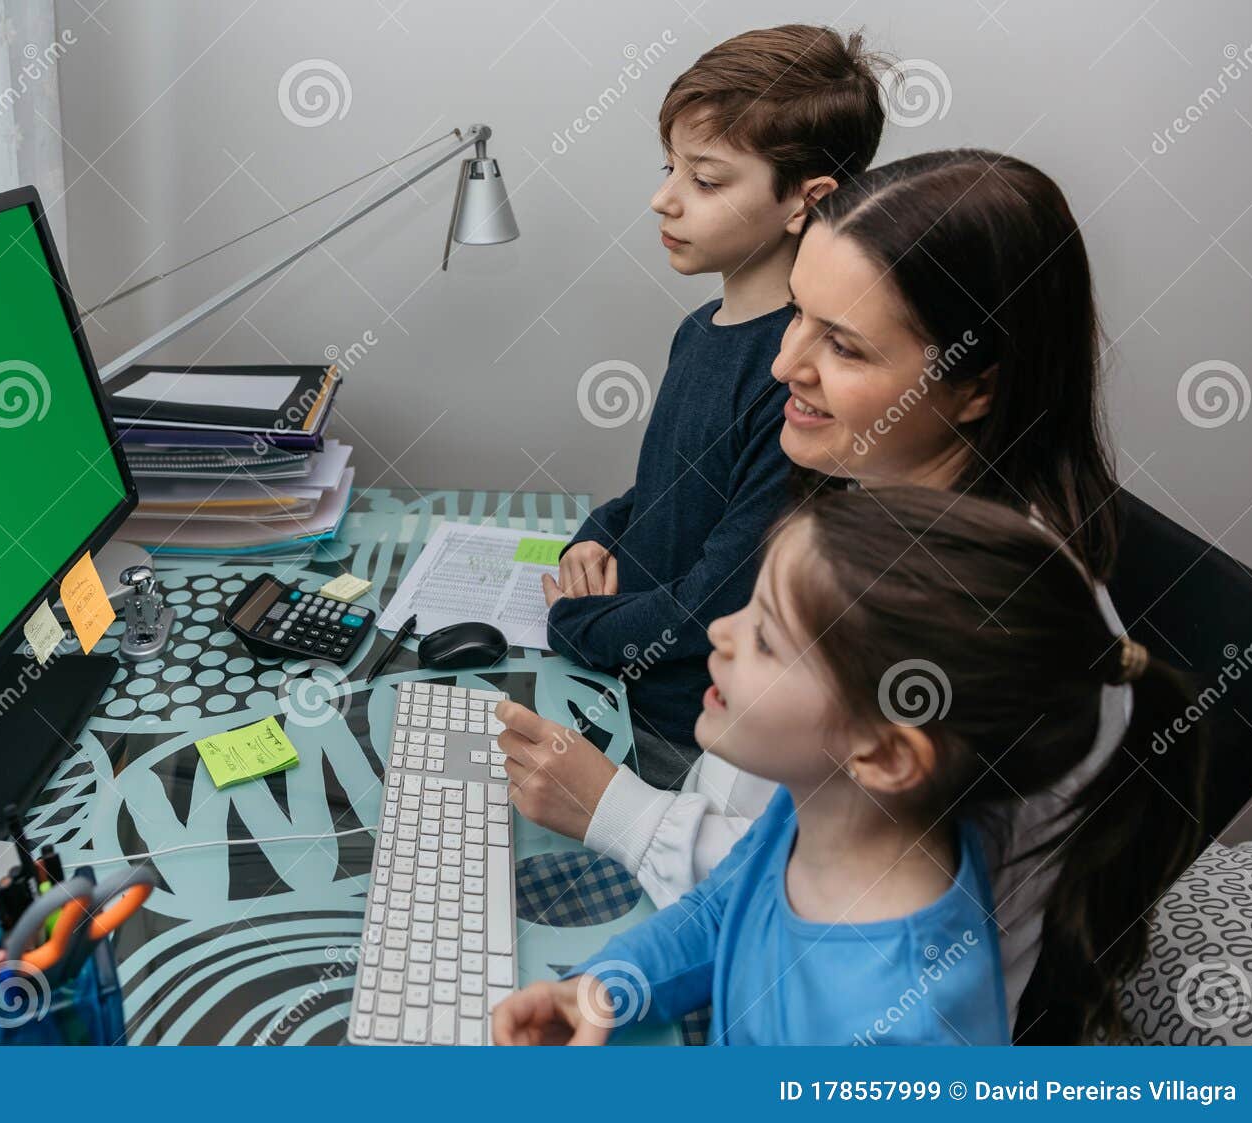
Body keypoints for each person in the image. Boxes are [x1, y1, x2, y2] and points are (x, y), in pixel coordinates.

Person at [505, 149, 1132, 1030]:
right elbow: (771, 860)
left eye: (843, 344)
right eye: (798, 312)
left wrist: (617, 811)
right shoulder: (854, 512)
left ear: (975, 384)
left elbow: (841, 904)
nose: (782, 365)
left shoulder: (974, 623)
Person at [493, 487, 1204, 1045]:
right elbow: (720, 913)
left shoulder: (905, 1028)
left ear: (886, 754)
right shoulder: (814, 809)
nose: (720, 631)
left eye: (766, 638)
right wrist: (606, 989)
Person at [543, 25, 887, 790]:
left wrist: (572, 623)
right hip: (611, 675)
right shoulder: (699, 331)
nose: (662, 199)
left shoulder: (799, 385)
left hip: (676, 733)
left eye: (705, 181)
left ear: (807, 199)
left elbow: (720, 601)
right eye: (669, 168)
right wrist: (594, 539)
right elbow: (663, 493)